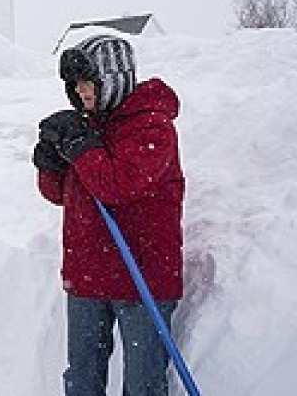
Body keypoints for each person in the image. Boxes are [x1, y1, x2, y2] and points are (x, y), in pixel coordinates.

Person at [32, 35, 186, 396]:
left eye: (88, 81)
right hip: (88, 275)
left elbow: (117, 185)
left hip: (142, 279)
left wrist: (82, 148)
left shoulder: (152, 126)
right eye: (75, 83)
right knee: (81, 381)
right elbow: (59, 195)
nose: (81, 90)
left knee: (143, 386)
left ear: (113, 77)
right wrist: (50, 164)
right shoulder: (89, 127)